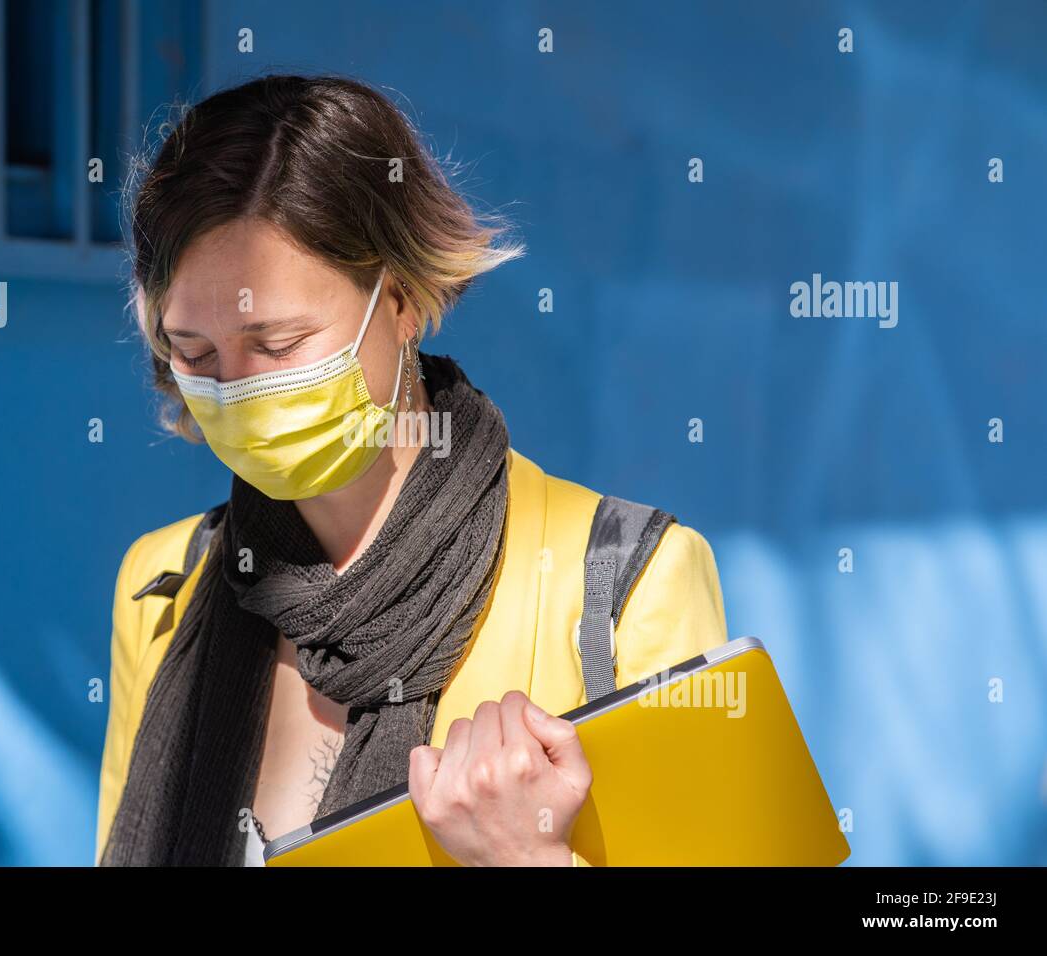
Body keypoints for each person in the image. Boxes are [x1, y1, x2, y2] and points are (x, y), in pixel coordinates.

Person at [96, 74, 727, 867]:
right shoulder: (162, 587)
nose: (242, 387)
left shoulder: (623, 587)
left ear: (401, 300)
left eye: (281, 344)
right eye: (194, 354)